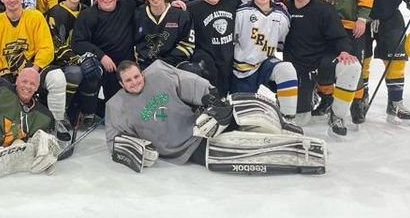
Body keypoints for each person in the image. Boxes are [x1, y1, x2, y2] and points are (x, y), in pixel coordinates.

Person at [105, 60, 325, 175]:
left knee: (234, 111)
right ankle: (287, 153)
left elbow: (187, 81)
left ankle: (280, 126)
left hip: (198, 125)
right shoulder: (115, 107)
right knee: (232, 147)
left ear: (140, 72)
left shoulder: (158, 74)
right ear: (121, 84)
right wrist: (138, 150)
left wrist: (209, 97)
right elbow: (114, 141)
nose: (135, 82)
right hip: (181, 148)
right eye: (129, 81)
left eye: (136, 76)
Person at [0, 0, 70, 139]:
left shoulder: (35, 16)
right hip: (6, 73)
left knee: (57, 78)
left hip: (34, 68)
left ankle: (57, 122)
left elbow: (47, 48)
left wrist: (33, 70)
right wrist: (3, 73)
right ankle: (10, 129)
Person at [306, 0, 374, 121]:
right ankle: (327, 99)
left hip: (350, 27)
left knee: (354, 67)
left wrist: (361, 19)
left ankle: (357, 103)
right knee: (323, 65)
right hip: (325, 30)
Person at [283, 0, 361, 135]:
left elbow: (339, 36)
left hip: (322, 60)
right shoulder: (283, 8)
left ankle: (338, 115)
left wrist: (345, 51)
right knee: (300, 120)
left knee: (352, 66)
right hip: (297, 65)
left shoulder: (324, 9)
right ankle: (308, 97)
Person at [233, 0, 298, 120]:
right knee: (245, 114)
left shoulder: (282, 15)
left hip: (265, 64)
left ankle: (287, 118)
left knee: (287, 69)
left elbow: (282, 42)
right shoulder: (242, 13)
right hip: (242, 69)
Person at [45, 0, 102, 128]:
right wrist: (77, 59)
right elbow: (55, 43)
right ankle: (62, 111)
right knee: (76, 72)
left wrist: (91, 56)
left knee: (94, 68)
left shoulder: (87, 11)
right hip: (60, 61)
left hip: (82, 56)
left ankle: (88, 112)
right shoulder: (56, 12)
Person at [72, 0, 138, 103]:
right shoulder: (87, 15)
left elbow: (151, 3)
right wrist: (101, 56)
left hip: (128, 65)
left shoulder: (127, 3)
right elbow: (77, 42)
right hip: (105, 68)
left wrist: (172, 3)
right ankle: (89, 113)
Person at [180, 0, 240, 95]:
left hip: (228, 58)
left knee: (229, 97)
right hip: (206, 60)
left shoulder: (232, 0)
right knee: (212, 96)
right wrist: (173, 5)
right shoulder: (192, 8)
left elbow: (251, 10)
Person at [133, 0, 194, 69]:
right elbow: (137, 43)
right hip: (147, 64)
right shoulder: (138, 14)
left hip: (174, 63)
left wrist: (166, 62)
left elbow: (187, 45)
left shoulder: (181, 15)